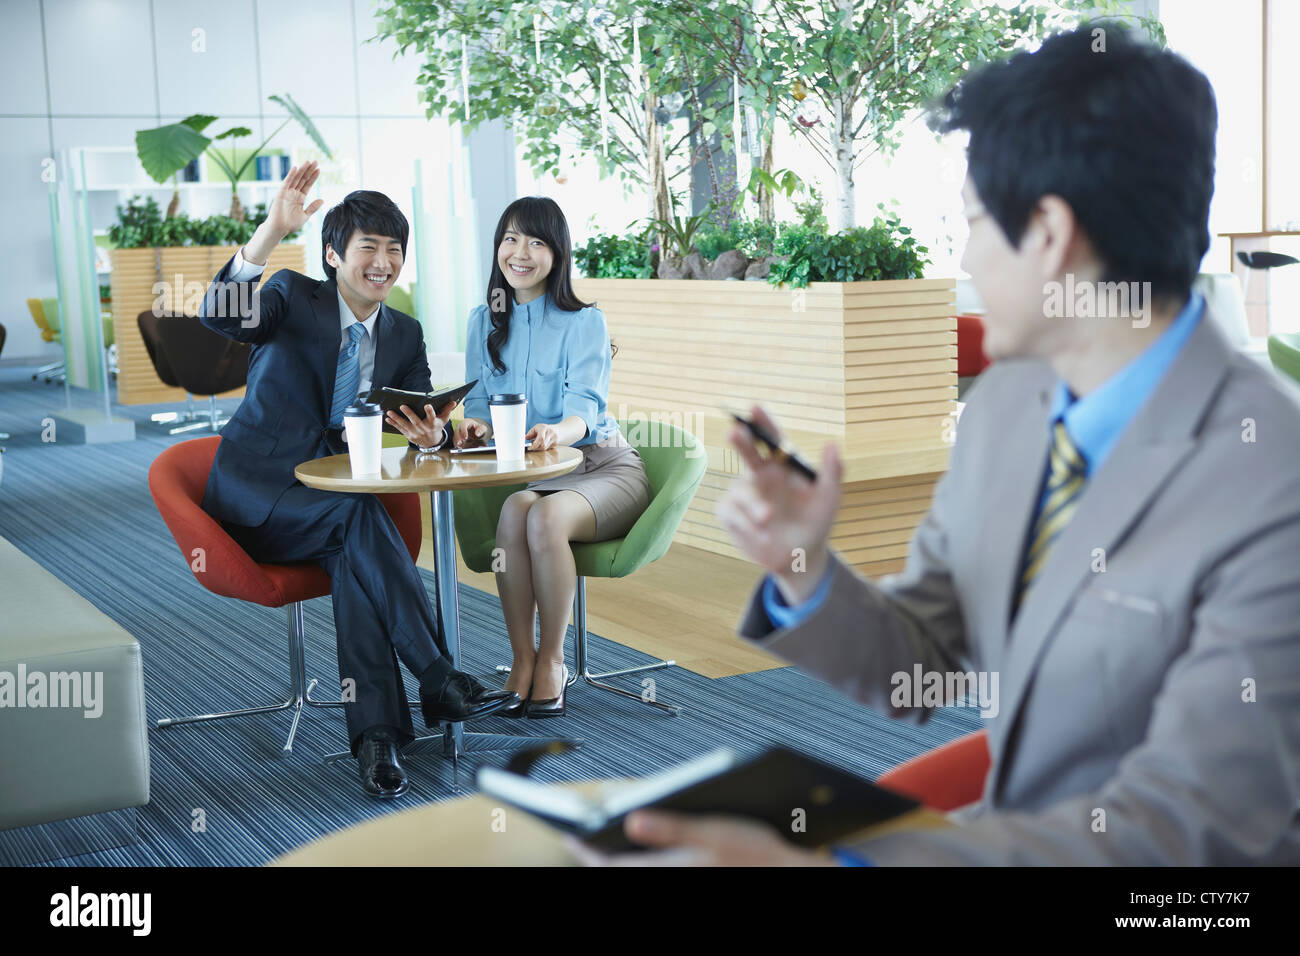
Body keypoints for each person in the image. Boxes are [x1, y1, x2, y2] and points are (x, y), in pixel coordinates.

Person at [573, 23, 1300, 864]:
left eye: (975, 223)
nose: (963, 255)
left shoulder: (1268, 480)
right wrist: (804, 566)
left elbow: (1181, 833)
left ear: (1051, 235)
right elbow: (920, 666)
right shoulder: (1010, 409)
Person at [198, 164, 517, 799]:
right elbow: (220, 317)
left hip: (336, 502)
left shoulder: (403, 331)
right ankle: (436, 675)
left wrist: (438, 436)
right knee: (356, 520)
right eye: (368, 247)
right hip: (257, 497)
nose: (384, 262)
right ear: (333, 255)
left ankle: (378, 740)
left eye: (395, 250)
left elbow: (427, 410)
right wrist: (270, 231)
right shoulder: (291, 296)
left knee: (355, 550)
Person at [454, 197, 651, 718]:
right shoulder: (482, 322)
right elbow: (478, 407)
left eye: (537, 242)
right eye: (512, 239)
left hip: (603, 467)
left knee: (540, 514)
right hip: (542, 477)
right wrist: (473, 427)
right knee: (515, 509)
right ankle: (522, 658)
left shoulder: (584, 320)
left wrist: (554, 431)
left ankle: (554, 660)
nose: (521, 253)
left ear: (557, 254)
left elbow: (585, 409)